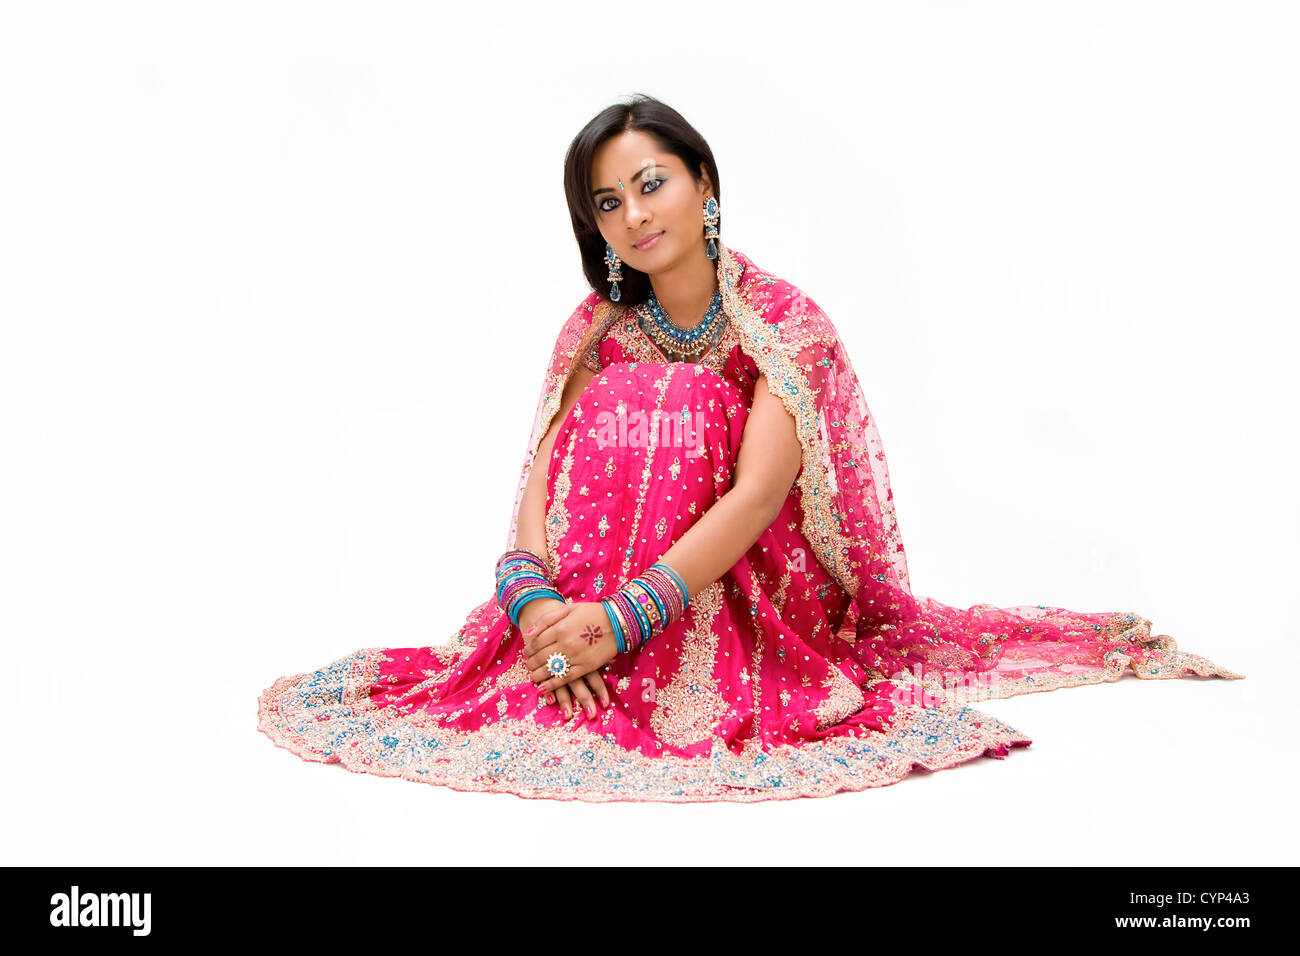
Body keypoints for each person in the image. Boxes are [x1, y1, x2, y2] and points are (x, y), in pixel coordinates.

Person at [257, 94, 1243, 803]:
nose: (635, 214)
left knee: (681, 390)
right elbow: (540, 480)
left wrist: (623, 619)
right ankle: (563, 646)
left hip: (738, 601)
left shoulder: (782, 323)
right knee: (640, 391)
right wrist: (542, 605)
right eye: (608, 203)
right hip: (571, 617)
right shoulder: (593, 326)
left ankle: (617, 647)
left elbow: (759, 494)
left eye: (650, 184)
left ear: (703, 185)